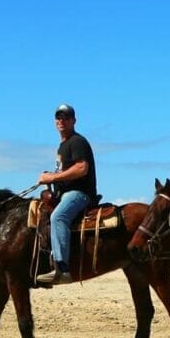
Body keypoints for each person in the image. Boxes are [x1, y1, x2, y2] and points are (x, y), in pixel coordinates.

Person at [36, 103, 97, 286]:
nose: (62, 121)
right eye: (59, 117)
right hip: (65, 193)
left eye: (66, 117)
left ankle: (62, 269)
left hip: (79, 193)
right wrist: (51, 179)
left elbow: (81, 168)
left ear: (73, 120)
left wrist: (53, 177)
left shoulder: (76, 141)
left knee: (58, 217)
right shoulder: (62, 145)